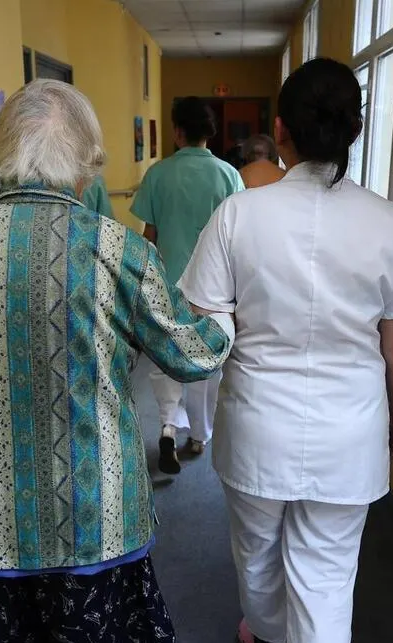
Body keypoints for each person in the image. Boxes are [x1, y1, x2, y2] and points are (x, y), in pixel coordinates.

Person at [0, 79, 234, 643]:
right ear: (86, 161)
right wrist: (224, 318)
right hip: (97, 511)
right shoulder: (116, 247)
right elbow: (193, 354)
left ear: (1, 152)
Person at [178, 58, 393, 643]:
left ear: (279, 131)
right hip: (351, 429)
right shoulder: (389, 222)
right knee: (327, 575)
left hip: (257, 422)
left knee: (257, 550)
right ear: (355, 129)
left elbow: (204, 331)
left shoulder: (239, 214)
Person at [130, 96, 244, 475]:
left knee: (166, 361)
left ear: (177, 132)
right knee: (205, 365)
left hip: (167, 285)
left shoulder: (158, 174)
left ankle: (166, 424)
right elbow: (239, 239)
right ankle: (199, 434)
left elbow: (149, 236)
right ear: (208, 133)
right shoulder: (229, 175)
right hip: (213, 289)